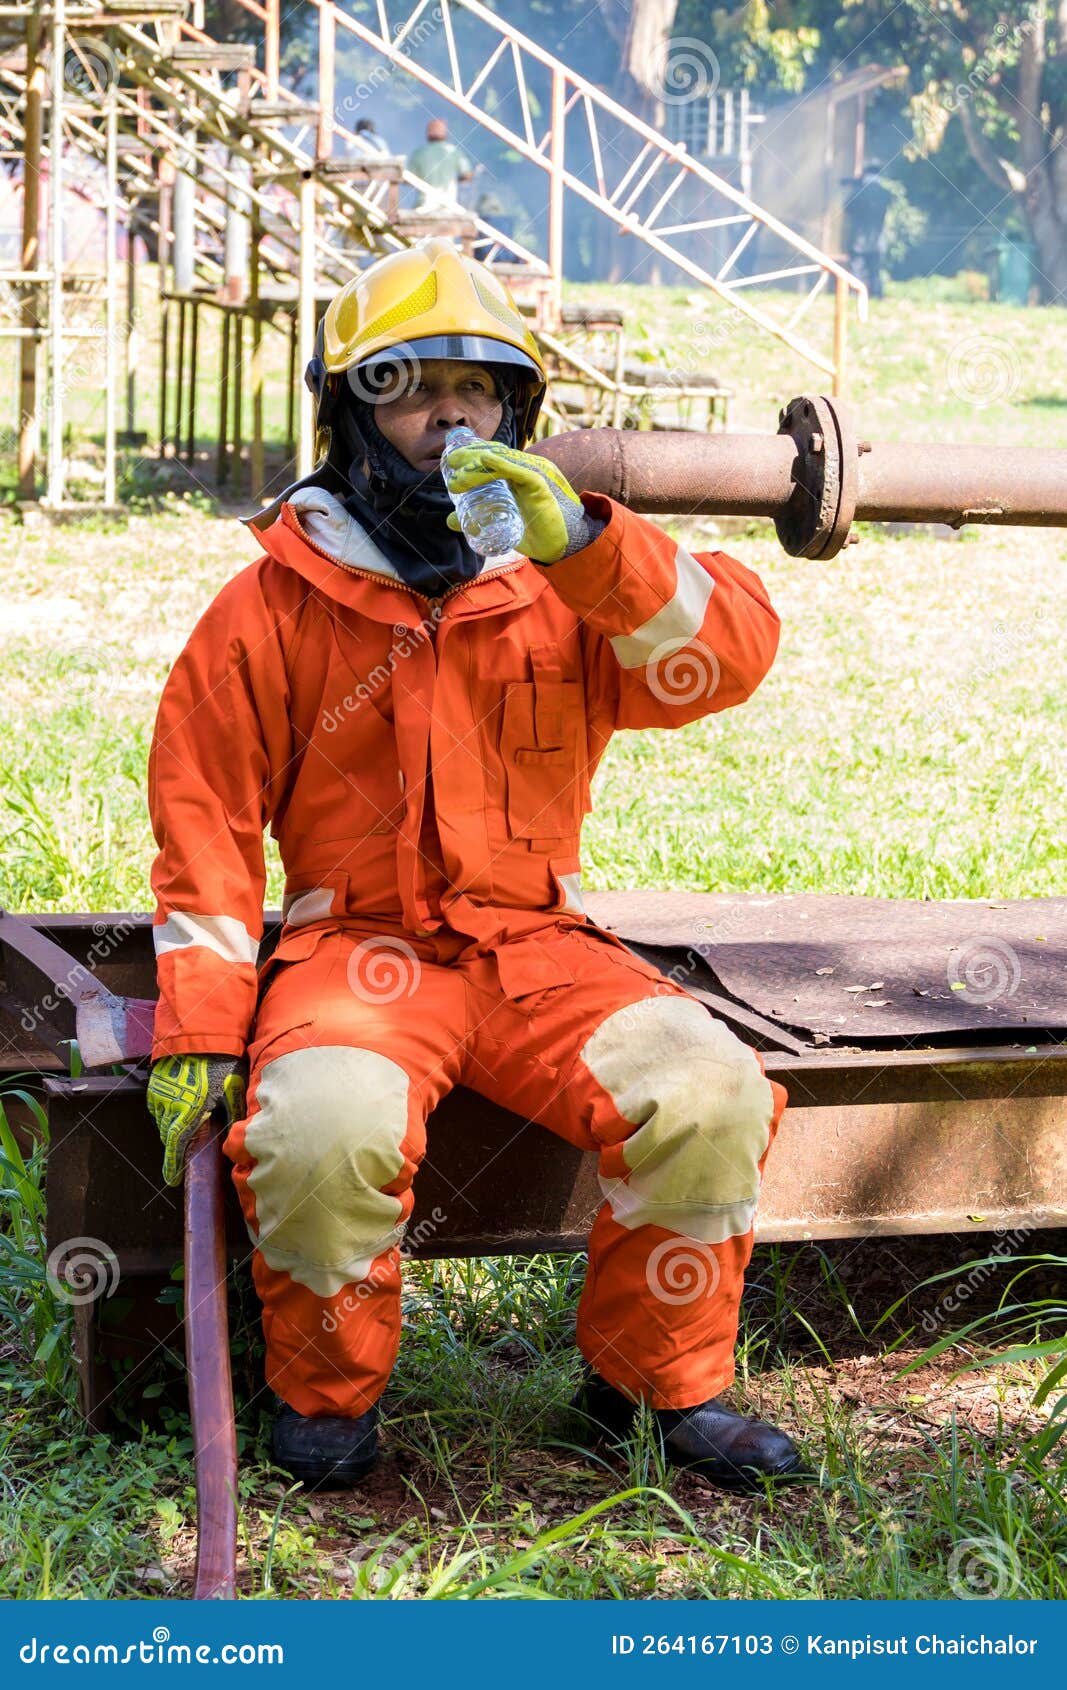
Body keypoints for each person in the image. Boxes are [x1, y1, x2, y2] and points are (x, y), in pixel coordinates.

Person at [145, 237, 803, 1495]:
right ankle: (328, 1402)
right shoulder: (271, 604)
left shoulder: (563, 578)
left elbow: (725, 658)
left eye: (479, 388)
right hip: (356, 954)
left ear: (516, 411)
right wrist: (199, 1028)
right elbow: (204, 818)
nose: (450, 414)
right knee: (320, 1129)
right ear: (349, 409)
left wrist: (592, 549)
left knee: (709, 1087)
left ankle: (655, 1390)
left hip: (535, 947)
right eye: (409, 384)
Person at [841, 160, 893, 299]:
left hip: (858, 240)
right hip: (877, 241)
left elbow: (847, 208)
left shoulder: (859, 192)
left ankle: (855, 294)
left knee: (857, 271)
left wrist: (855, 187)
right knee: (874, 272)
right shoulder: (884, 193)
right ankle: (877, 295)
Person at [407, 117, 474, 212]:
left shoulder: (419, 153)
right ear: (445, 134)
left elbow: (408, 178)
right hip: (448, 208)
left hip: (423, 208)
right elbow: (467, 175)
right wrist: (454, 179)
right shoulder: (454, 152)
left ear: (428, 134)